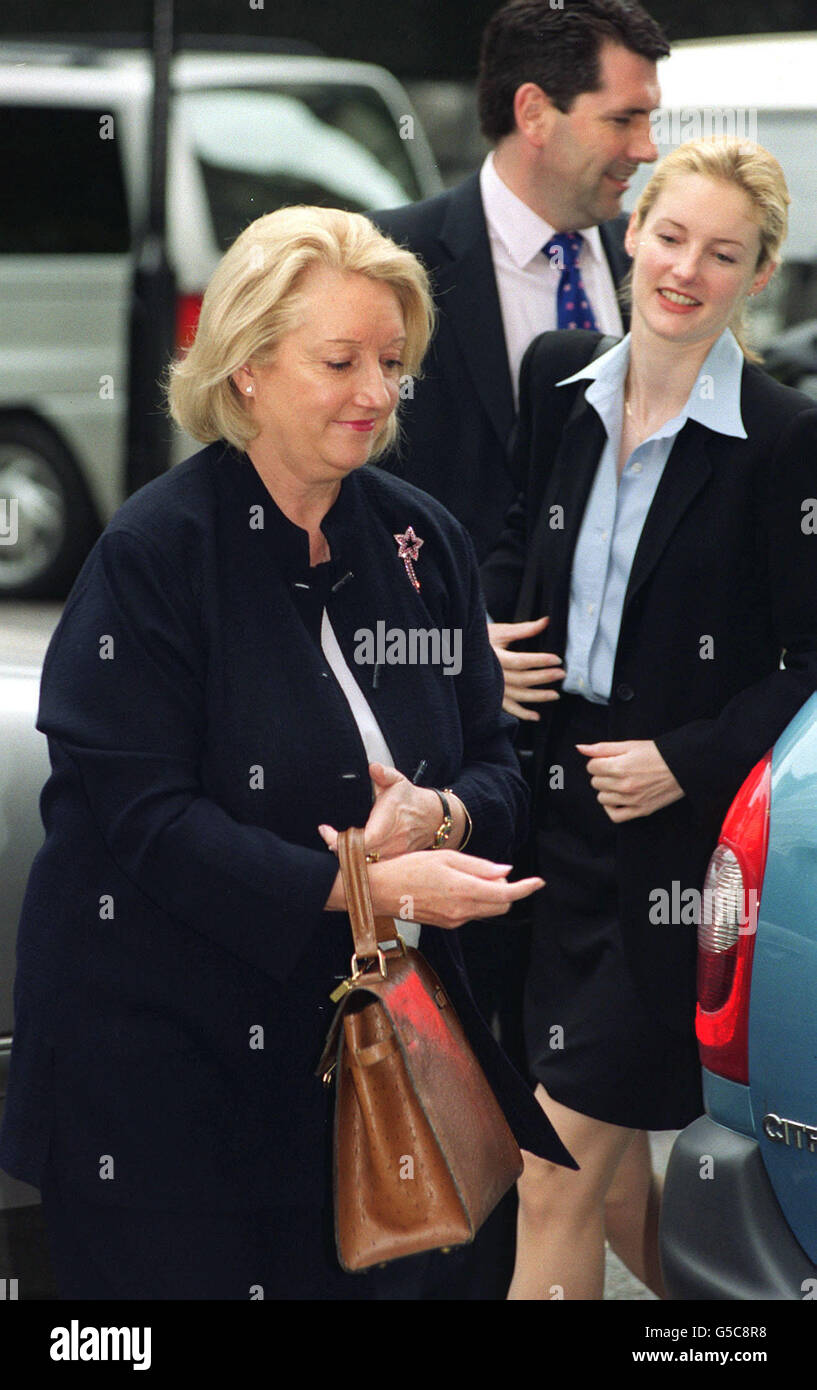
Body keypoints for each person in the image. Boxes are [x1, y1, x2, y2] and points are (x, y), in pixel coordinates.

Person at [0, 206, 573, 1301]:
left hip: (376, 1077)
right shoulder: (153, 556)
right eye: (339, 359)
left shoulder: (419, 540)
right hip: (165, 1088)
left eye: (392, 363)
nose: (375, 392)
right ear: (247, 368)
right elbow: (146, 825)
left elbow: (500, 759)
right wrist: (359, 878)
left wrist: (441, 820)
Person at [480, 137, 817, 1299]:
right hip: (539, 819)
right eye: (670, 236)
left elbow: (809, 660)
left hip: (665, 857)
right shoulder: (559, 378)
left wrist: (685, 760)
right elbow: (517, 541)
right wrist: (490, 646)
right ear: (629, 236)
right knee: (610, 1179)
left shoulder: (783, 439)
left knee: (553, 1174)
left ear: (758, 274)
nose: (686, 268)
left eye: (722, 253)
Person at [373, 0, 668, 563]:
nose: (647, 148)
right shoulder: (391, 261)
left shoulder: (655, 260)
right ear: (533, 112)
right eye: (623, 119)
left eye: (650, 120)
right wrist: (452, 639)